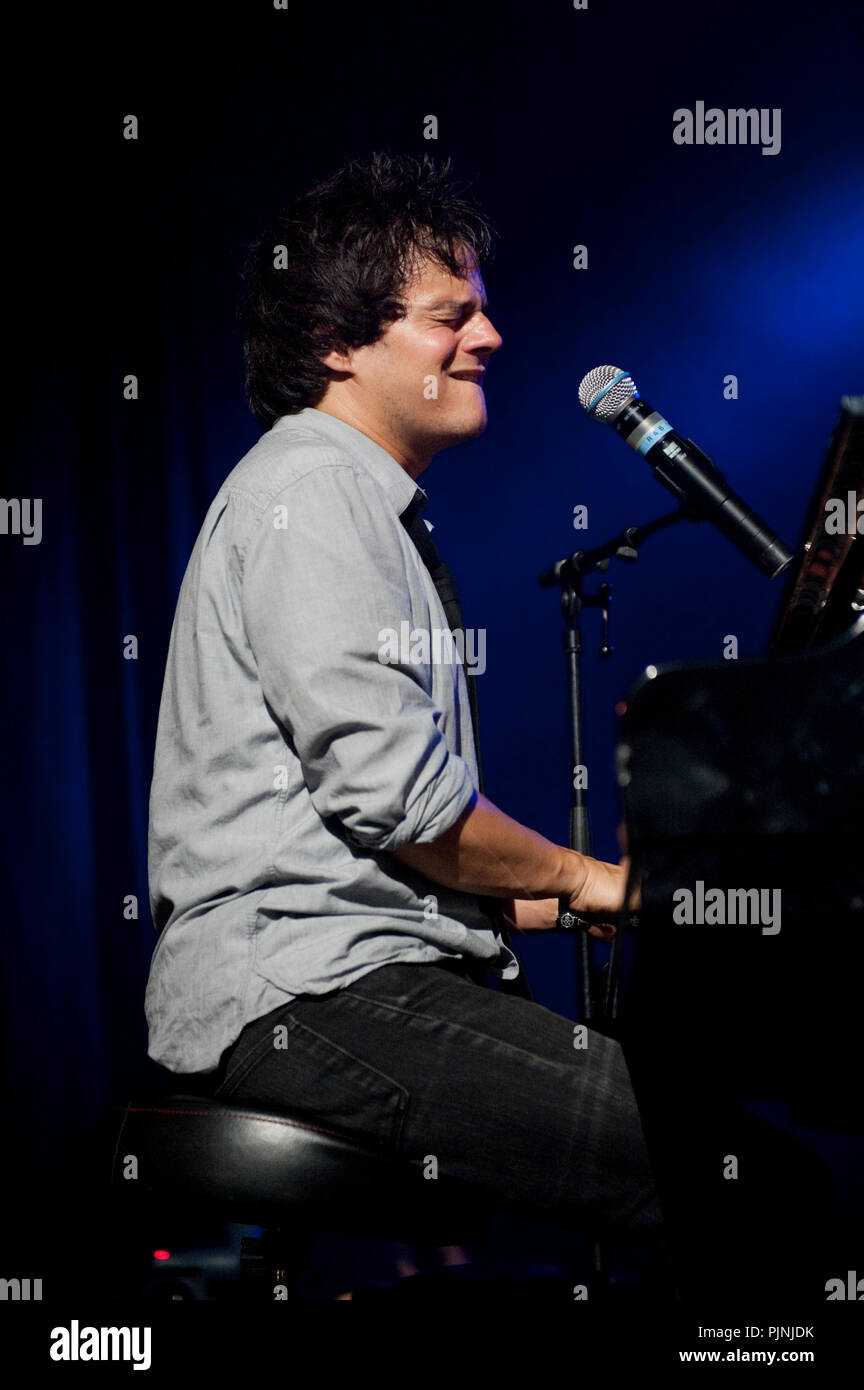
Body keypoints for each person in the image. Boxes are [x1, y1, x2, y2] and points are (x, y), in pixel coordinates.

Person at [144, 151, 669, 1298]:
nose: (488, 336)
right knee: (731, 1176)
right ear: (340, 340)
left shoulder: (349, 495)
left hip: (346, 970)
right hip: (307, 992)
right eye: (453, 315)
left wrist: (544, 897)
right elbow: (401, 800)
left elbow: (360, 834)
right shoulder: (318, 490)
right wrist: (589, 878)